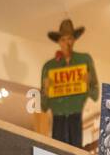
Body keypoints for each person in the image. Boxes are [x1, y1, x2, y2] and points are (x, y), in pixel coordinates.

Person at [40, 18, 99, 148]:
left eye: (70, 39)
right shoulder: (49, 66)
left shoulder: (84, 60)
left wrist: (87, 83)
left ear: (74, 40)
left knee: (75, 151)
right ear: (58, 42)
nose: (67, 43)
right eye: (63, 39)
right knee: (58, 152)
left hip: (76, 114)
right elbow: (43, 106)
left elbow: (95, 94)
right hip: (57, 117)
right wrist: (46, 90)